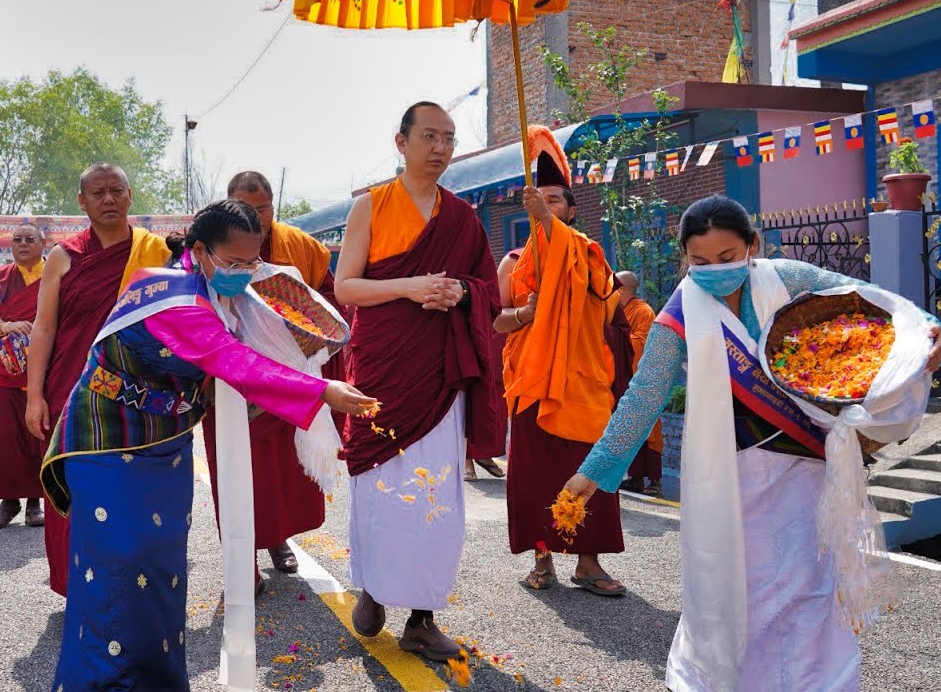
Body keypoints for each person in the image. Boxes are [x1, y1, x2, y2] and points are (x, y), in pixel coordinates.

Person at [564, 195, 941, 691]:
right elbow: (643, 396)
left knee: (808, 588)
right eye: (700, 262)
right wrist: (593, 471)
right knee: (740, 590)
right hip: (732, 476)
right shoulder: (679, 313)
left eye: (727, 258)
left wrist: (927, 331)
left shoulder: (789, 279)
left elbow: (872, 303)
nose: (715, 271)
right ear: (686, 259)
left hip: (803, 468)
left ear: (752, 246)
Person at [42, 200, 374, 692]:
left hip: (167, 442)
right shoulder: (170, 295)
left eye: (252, 262)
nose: (245, 273)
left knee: (161, 571)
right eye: (235, 263)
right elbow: (232, 360)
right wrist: (323, 390)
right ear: (200, 251)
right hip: (108, 440)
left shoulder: (214, 291)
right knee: (117, 568)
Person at [334, 102, 503, 661]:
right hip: (383, 370)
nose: (440, 147)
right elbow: (347, 289)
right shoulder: (371, 207)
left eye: (449, 138)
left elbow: (486, 288)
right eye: (428, 136)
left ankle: (422, 616)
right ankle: (375, 588)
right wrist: (409, 287)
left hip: (437, 377)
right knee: (380, 490)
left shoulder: (462, 217)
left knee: (434, 494)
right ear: (401, 142)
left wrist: (460, 292)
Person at [25, 162, 172, 596]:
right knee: (80, 485)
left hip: (137, 392)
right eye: (98, 192)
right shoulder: (63, 256)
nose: (108, 199)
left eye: (116, 191)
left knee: (135, 488)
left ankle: (133, 583)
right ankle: (80, 586)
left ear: (130, 196)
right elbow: (44, 328)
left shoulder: (157, 253)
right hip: (72, 390)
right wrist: (35, 395)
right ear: (81, 201)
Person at [495, 127, 628, 596]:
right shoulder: (514, 261)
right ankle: (542, 559)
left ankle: (589, 563)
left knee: (589, 466)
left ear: (572, 211)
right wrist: (524, 313)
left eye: (556, 201)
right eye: (541, 200)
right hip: (532, 377)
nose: (546, 206)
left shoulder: (588, 253)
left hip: (584, 379)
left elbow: (605, 295)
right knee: (536, 474)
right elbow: (498, 323)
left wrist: (549, 227)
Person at [197, 170, 336, 582]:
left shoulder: (300, 246)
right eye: (247, 209)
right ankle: (243, 564)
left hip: (282, 376)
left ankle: (277, 540)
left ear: (273, 206)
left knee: (276, 473)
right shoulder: (211, 245)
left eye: (262, 209)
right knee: (234, 471)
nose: (255, 219)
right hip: (225, 379)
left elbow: (323, 300)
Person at [0, 223, 47, 529]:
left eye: (30, 239)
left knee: (39, 435)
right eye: (17, 240)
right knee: (3, 437)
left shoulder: (56, 273)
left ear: (43, 243)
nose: (23, 244)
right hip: (8, 366)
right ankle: (9, 502)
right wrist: (6, 326)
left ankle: (35, 503)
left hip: (45, 367)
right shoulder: (0, 276)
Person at [614, 270, 665, 496]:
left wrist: (615, 340)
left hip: (643, 379)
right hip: (623, 377)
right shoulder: (619, 311)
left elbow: (642, 343)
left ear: (623, 289)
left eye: (614, 288)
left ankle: (654, 481)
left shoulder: (643, 311)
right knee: (627, 428)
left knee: (649, 428)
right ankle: (634, 478)